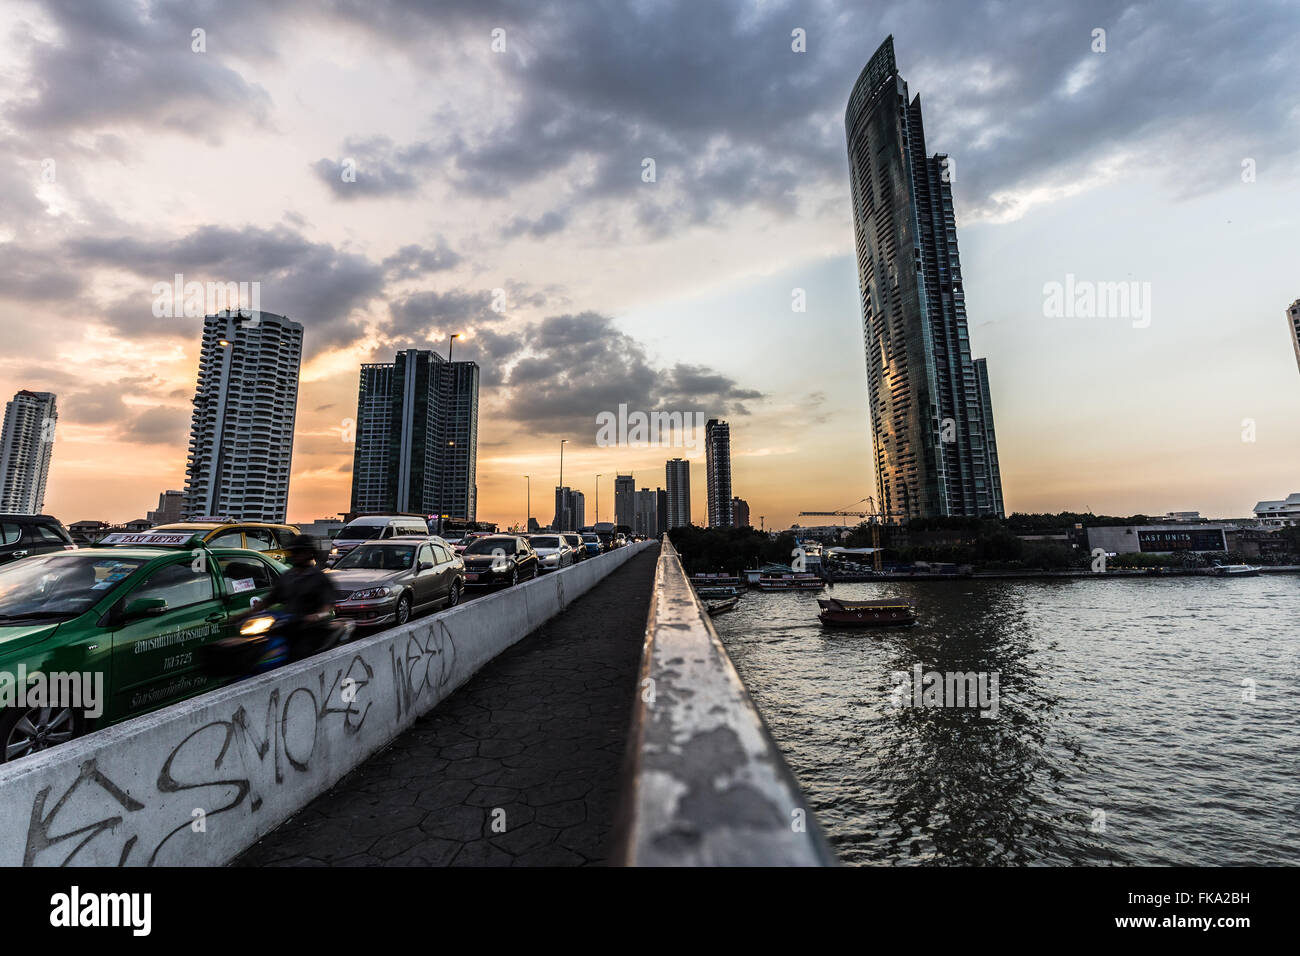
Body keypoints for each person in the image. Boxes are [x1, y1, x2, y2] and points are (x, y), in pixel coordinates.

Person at [252, 534, 338, 662]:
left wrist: (316, 616)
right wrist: (245, 614)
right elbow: (269, 599)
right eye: (293, 552)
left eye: (298, 552)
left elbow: (327, 607)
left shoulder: (320, 578)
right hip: (287, 626)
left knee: (299, 655)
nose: (295, 555)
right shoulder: (287, 576)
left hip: (310, 630)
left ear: (309, 553)